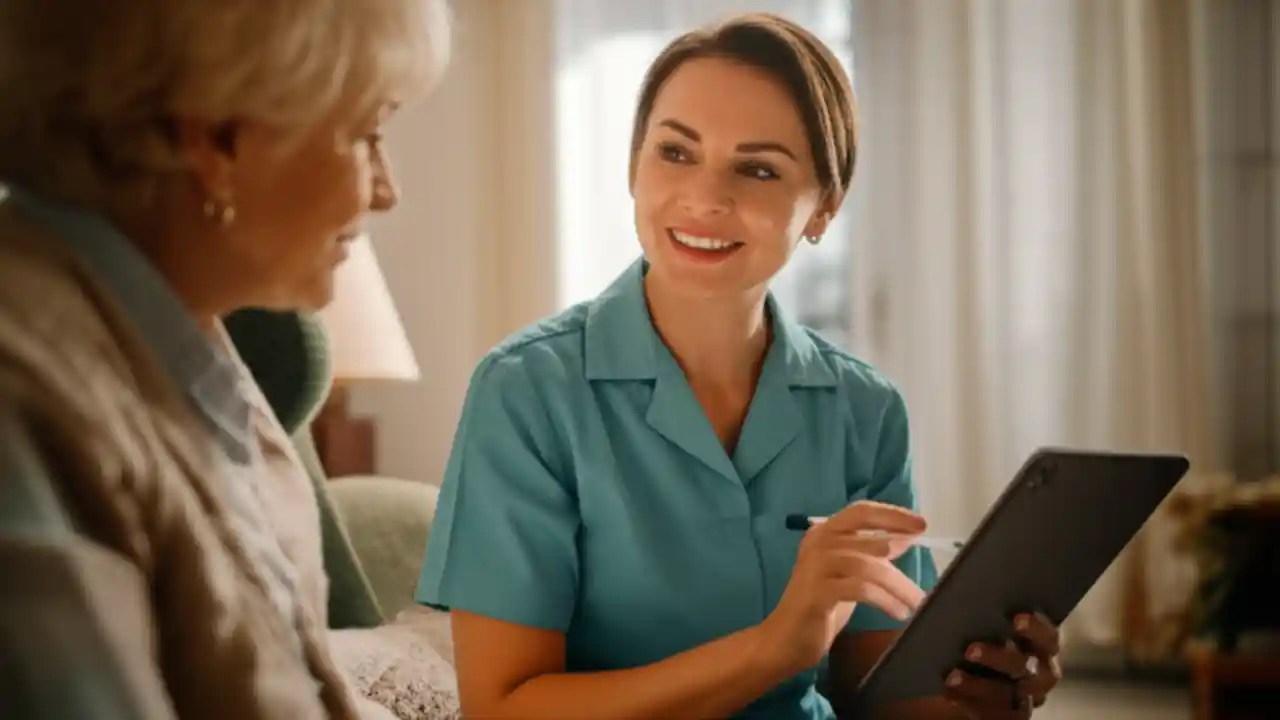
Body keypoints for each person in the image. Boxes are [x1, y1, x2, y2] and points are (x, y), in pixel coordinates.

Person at [417, 12, 1063, 720]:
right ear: (634, 167)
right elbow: (502, 709)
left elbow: (873, 694)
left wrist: (980, 695)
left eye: (758, 169)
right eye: (675, 152)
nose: (706, 197)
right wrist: (775, 648)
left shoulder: (866, 409)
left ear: (825, 206)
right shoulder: (524, 392)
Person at [0, 1, 449, 718]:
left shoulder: (187, 334)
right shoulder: (27, 389)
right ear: (216, 139)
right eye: (367, 135)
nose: (387, 190)